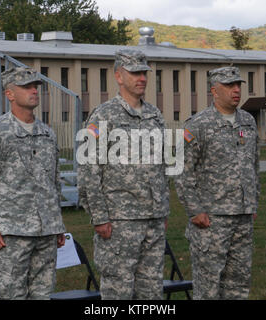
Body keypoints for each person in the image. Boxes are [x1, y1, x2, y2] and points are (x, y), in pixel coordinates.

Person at [0, 67, 66, 300]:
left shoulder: (47, 134)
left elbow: (53, 182)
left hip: (46, 234)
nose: (34, 90)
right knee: (9, 296)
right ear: (9, 94)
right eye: (27, 86)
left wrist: (57, 222)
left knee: (43, 295)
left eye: (36, 86)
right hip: (10, 236)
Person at [77, 49, 170, 300]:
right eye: (135, 73)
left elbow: (163, 166)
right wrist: (99, 217)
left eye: (144, 73)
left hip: (153, 219)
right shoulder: (103, 115)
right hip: (119, 221)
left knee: (151, 292)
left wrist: (162, 209)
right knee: (119, 290)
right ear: (118, 76)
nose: (142, 78)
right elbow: (88, 170)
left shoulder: (155, 115)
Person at [175, 66, 260, 300]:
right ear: (214, 90)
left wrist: (252, 203)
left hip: (242, 217)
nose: (236, 90)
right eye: (229, 85)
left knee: (239, 284)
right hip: (211, 220)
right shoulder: (198, 124)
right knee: (209, 287)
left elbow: (254, 166)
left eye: (238, 85)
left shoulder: (248, 121)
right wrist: (195, 210)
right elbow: (182, 171)